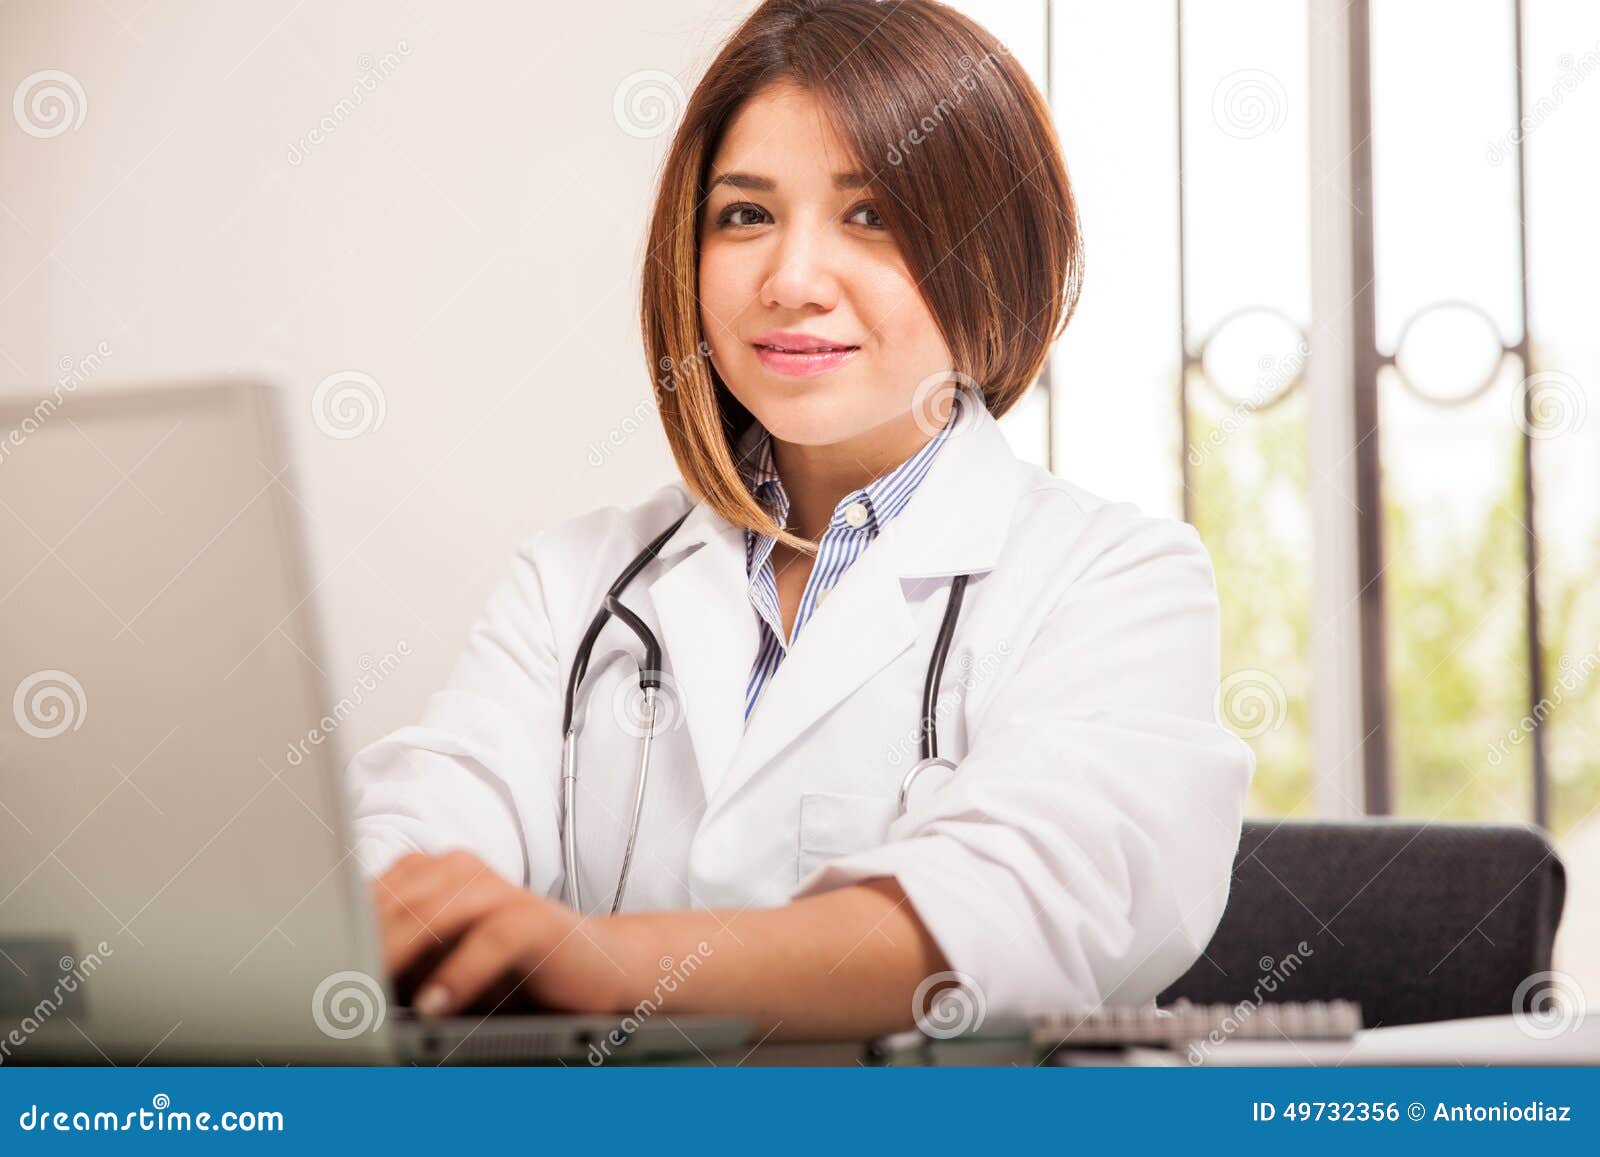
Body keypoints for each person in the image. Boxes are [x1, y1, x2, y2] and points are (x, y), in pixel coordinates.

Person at [344, 0, 1254, 1041]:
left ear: (993, 253)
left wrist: (598, 959)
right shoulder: (572, 582)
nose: (790, 281)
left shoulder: (1117, 579)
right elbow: (413, 842)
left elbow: (1012, 913)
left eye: (870, 214)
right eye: (744, 215)